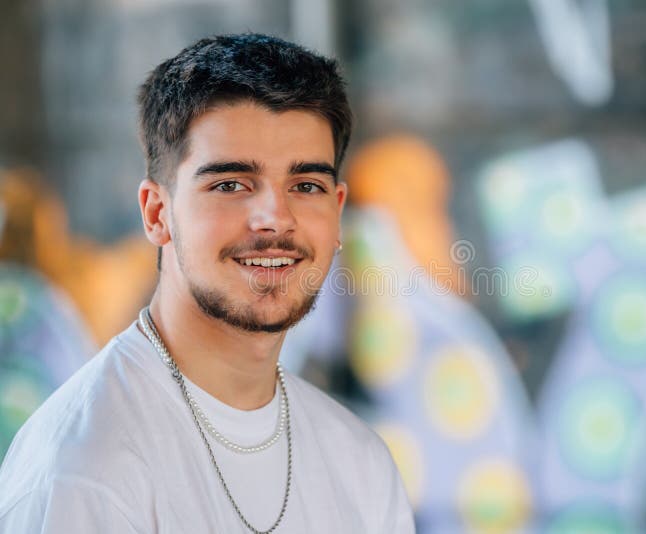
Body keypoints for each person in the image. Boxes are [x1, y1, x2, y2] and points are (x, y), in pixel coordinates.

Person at [0, 33, 415, 533]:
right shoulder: (86, 470)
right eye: (231, 184)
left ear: (339, 212)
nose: (275, 220)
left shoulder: (361, 462)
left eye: (306, 186)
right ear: (157, 213)